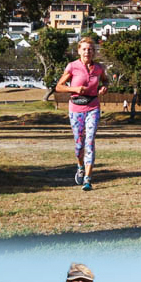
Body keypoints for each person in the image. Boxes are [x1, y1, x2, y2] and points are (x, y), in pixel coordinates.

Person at [54, 37, 109, 191]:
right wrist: (74, 89)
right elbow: (59, 87)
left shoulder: (99, 68)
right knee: (79, 145)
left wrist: (104, 88)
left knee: (90, 141)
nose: (87, 52)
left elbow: (105, 81)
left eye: (90, 49)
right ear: (79, 51)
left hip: (93, 107)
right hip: (76, 108)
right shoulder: (72, 67)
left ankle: (88, 179)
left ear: (94, 52)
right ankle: (80, 167)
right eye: (84, 49)